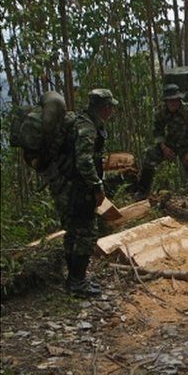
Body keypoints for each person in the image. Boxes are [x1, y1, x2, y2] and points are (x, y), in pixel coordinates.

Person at [50, 89, 118, 297]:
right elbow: (84, 162)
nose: (111, 111)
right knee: (86, 233)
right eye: (110, 107)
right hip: (77, 189)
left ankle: (74, 279)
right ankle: (77, 282)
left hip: (66, 186)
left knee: (73, 231)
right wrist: (97, 187)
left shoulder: (81, 121)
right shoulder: (87, 128)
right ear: (104, 108)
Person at [134, 84, 188, 217]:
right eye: (170, 100)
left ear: (179, 99)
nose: (173, 103)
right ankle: (142, 191)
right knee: (150, 156)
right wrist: (163, 147)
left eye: (175, 100)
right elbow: (157, 131)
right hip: (170, 144)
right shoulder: (160, 111)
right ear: (166, 101)